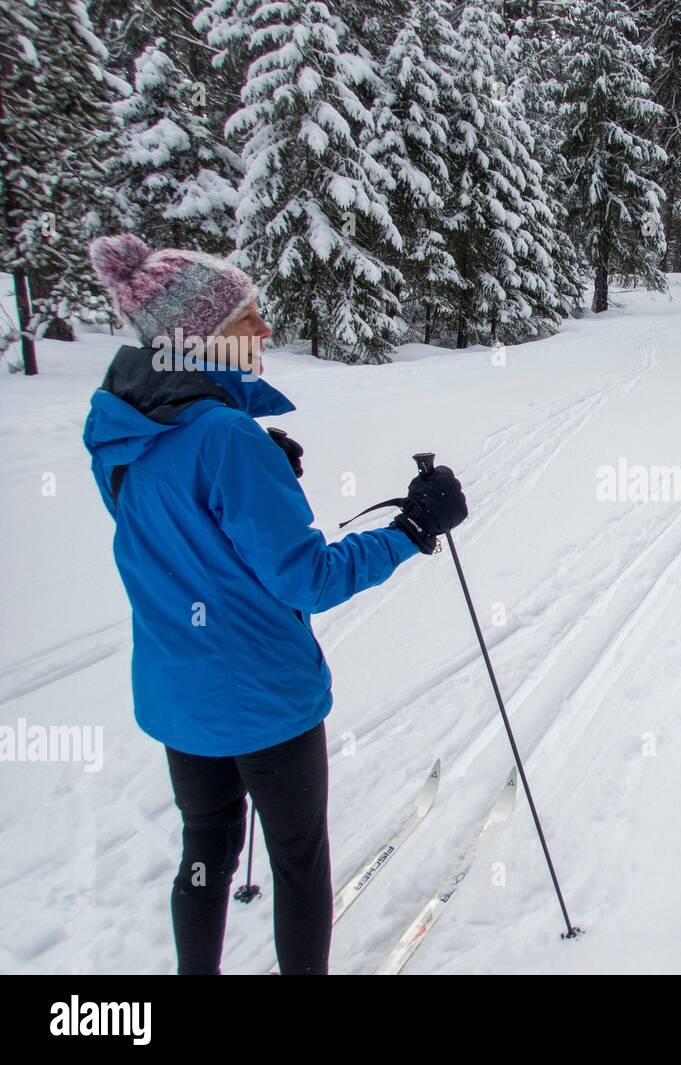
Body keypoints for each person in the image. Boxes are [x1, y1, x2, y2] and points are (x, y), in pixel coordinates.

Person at [82, 233, 468, 975]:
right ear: (201, 338)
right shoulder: (226, 437)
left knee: (206, 852)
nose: (263, 330)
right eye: (247, 319)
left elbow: (176, 533)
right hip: (264, 698)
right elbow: (307, 580)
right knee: (296, 862)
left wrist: (252, 480)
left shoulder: (120, 430)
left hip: (177, 697)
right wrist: (412, 530)